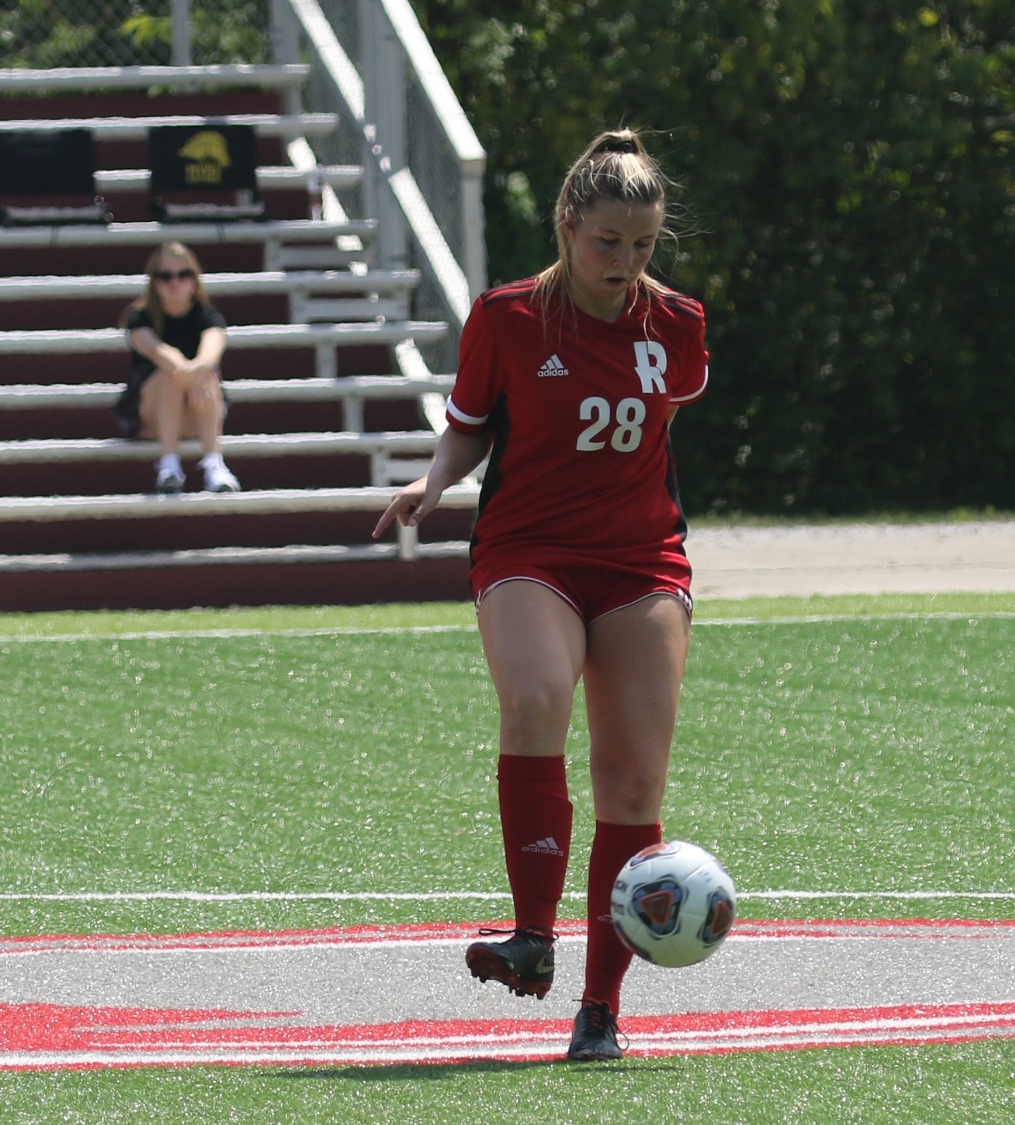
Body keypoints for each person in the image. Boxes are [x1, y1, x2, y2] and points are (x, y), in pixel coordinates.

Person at [372, 129, 709, 1062]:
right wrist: (433, 482)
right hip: (530, 548)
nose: (626, 262)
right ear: (568, 225)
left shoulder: (677, 324)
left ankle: (599, 1009)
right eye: (608, 242)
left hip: (642, 559)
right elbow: (472, 426)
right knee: (535, 698)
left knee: (634, 778)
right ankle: (532, 935)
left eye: (642, 245)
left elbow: (656, 440)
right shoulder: (508, 316)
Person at [118, 241, 240, 493]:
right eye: (165, 276)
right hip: (150, 417)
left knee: (207, 375)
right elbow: (158, 351)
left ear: (195, 279)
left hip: (196, 412)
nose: (174, 282)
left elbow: (211, 351)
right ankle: (169, 465)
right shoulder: (139, 317)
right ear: (154, 281)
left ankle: (215, 465)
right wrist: (191, 373)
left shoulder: (207, 316)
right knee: (169, 373)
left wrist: (198, 372)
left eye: (183, 275)